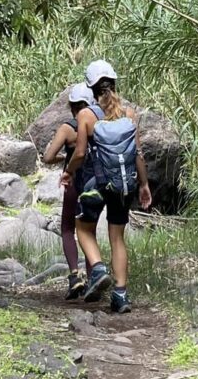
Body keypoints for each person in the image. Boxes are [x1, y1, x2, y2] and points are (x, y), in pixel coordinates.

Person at [62, 59, 152, 313]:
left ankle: (98, 268)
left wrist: (68, 173)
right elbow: (138, 153)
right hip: (123, 185)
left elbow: (79, 153)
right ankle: (121, 296)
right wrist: (144, 185)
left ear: (90, 88)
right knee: (118, 238)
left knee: (83, 228)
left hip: (95, 185)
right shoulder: (129, 114)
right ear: (114, 83)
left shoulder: (86, 116)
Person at [42, 81, 101, 301]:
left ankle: (75, 275)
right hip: (94, 183)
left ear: (72, 105)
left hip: (73, 182)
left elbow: (48, 157)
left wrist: (63, 159)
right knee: (89, 231)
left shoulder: (68, 128)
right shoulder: (97, 124)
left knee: (68, 228)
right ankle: (94, 277)